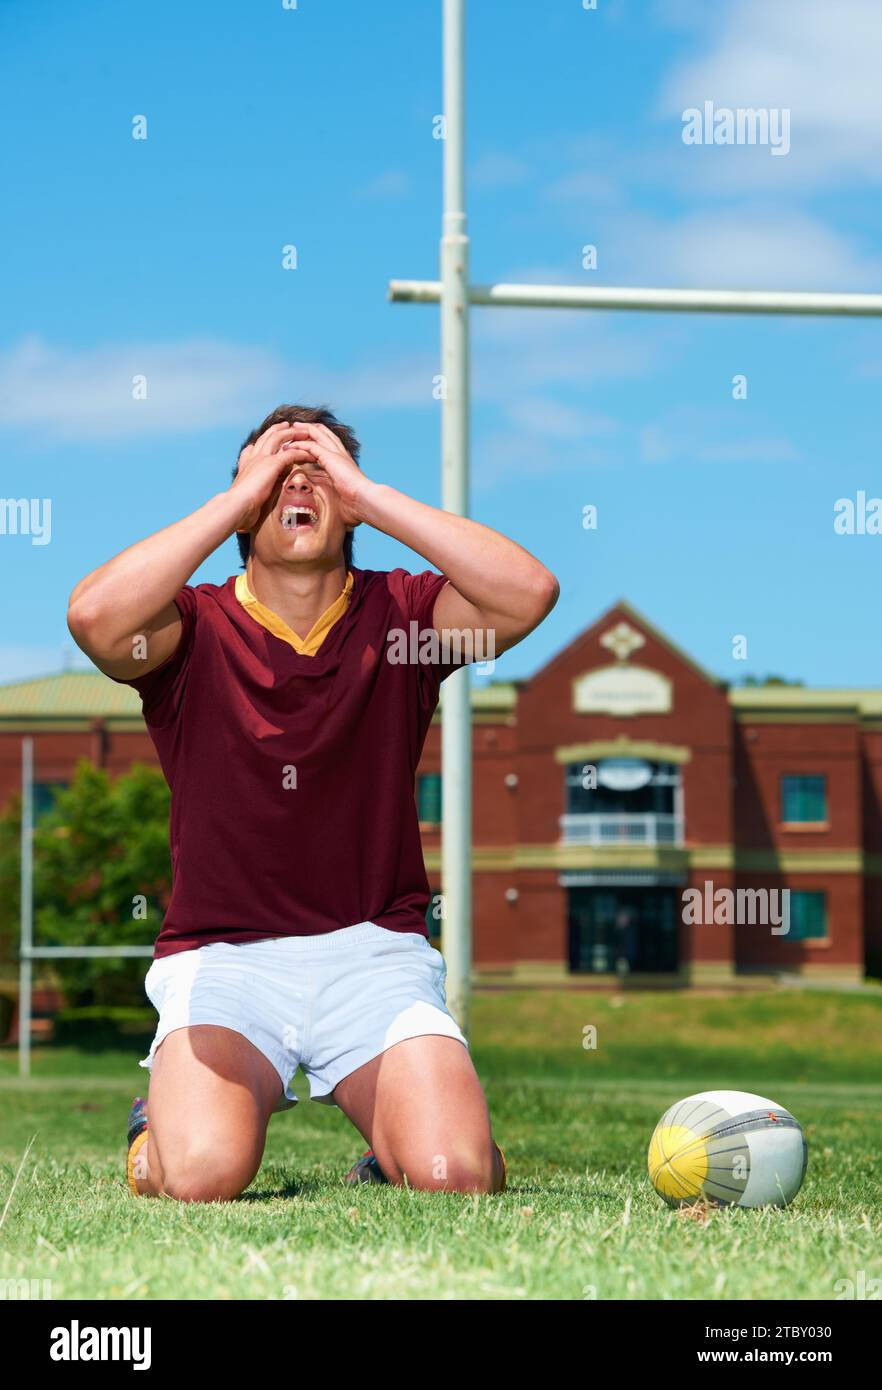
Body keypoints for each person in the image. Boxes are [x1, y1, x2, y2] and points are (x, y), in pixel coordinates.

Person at [67, 404, 559, 1201]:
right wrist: (240, 491)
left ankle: (395, 1143)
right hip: (223, 960)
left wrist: (366, 489)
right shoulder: (189, 628)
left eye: (318, 472)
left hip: (374, 953)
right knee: (198, 1177)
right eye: (274, 473)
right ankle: (153, 1123)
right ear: (243, 507)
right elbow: (94, 618)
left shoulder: (404, 617)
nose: (298, 481)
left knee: (457, 1176)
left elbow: (527, 594)